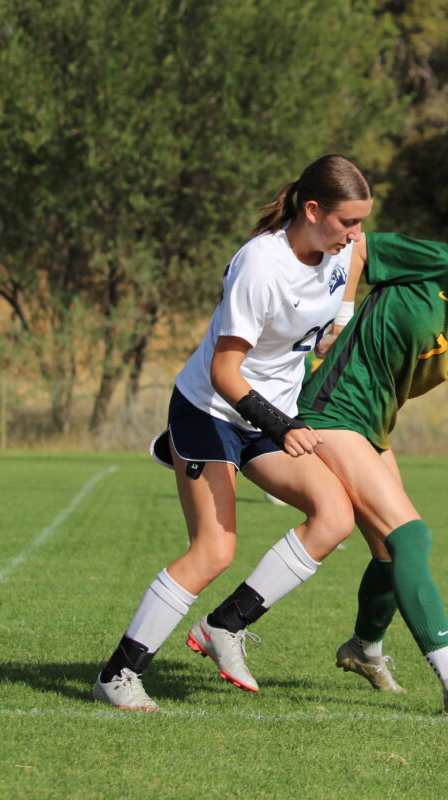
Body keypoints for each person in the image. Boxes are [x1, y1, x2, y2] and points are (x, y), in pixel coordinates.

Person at [201, 222, 448, 716]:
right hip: (329, 410)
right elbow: (359, 248)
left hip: (371, 430)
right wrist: (341, 318)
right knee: (412, 536)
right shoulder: (441, 266)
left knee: (392, 555)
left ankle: (364, 648)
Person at [91, 154, 372, 711]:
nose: (357, 235)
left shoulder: (344, 247)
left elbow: (356, 261)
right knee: (215, 550)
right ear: (312, 210)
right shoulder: (260, 266)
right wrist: (282, 425)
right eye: (348, 222)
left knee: (336, 517)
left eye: (362, 221)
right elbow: (224, 373)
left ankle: (225, 626)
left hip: (269, 415)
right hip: (213, 410)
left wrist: (337, 323)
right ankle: (117, 674)